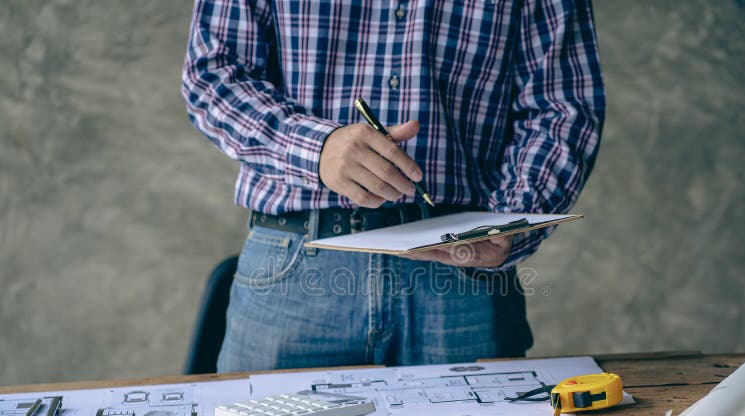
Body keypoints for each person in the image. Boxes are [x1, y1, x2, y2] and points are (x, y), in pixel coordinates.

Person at [181, 0, 605, 372]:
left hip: (463, 268)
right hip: (297, 263)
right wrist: (317, 148)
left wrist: (512, 218)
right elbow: (213, 76)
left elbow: (563, 106)